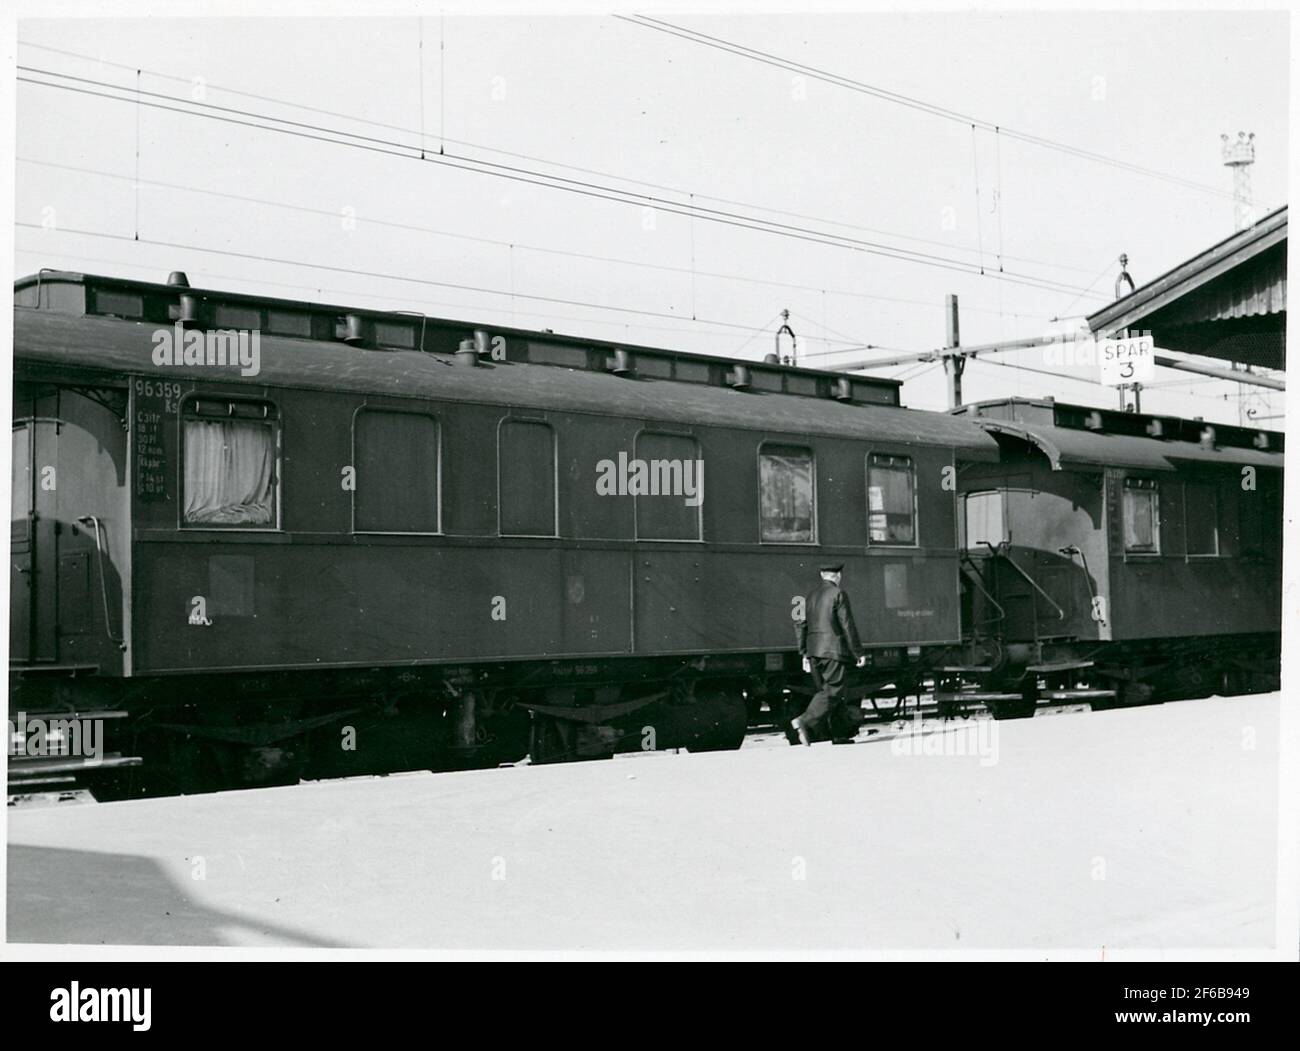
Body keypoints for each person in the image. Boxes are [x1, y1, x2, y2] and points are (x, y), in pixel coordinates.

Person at [793, 562, 867, 745]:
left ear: (822, 575)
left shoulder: (809, 596)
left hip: (813, 651)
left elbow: (800, 625)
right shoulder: (838, 594)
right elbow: (847, 625)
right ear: (838, 576)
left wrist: (803, 652)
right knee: (834, 690)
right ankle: (804, 721)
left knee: (827, 692)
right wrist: (858, 652)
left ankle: (839, 734)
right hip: (833, 650)